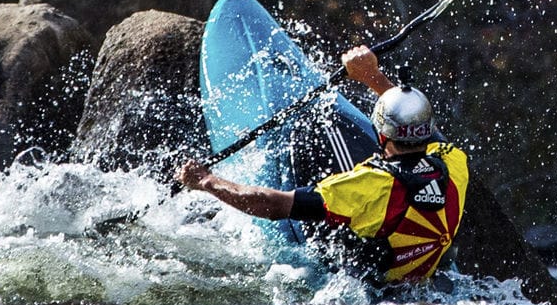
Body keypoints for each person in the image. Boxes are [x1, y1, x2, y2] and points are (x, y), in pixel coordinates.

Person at [175, 45, 470, 288]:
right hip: (419, 283)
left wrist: (206, 181)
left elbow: (276, 206)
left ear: (380, 134)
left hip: (365, 290)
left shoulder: (368, 187)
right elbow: (423, 130)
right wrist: (373, 76)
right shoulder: (454, 163)